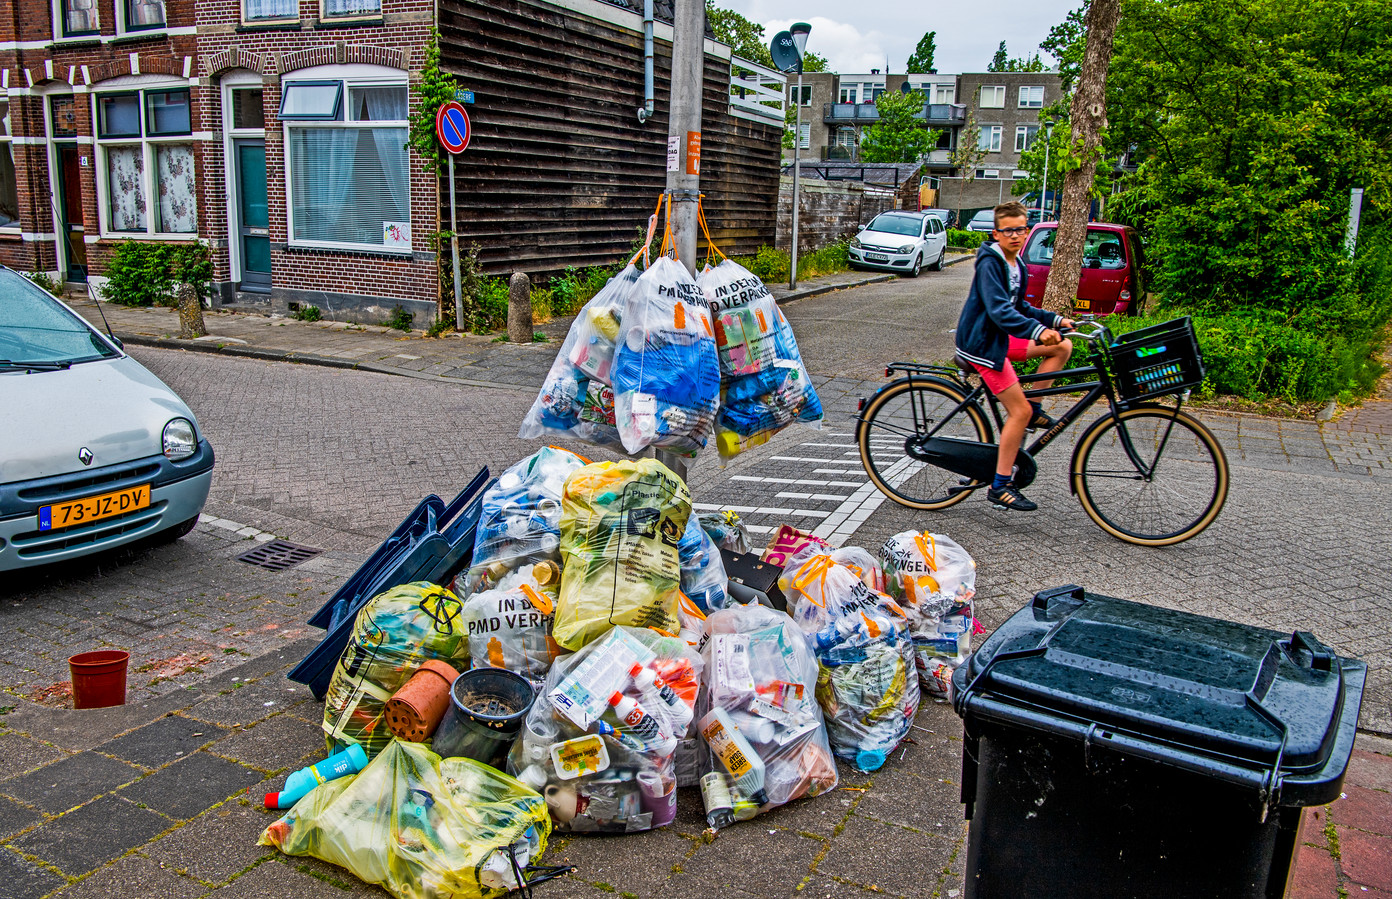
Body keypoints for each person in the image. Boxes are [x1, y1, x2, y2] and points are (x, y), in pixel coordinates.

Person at [954, 201, 1073, 512]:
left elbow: (1020, 308)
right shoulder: (991, 263)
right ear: (996, 233)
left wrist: (1054, 321)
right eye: (1009, 231)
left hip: (1001, 338)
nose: (1017, 235)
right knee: (1016, 413)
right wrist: (1036, 331)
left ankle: (1034, 407)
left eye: (1022, 229)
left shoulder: (1016, 264)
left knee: (1062, 347)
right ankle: (1000, 484)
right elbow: (999, 310)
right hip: (983, 345)